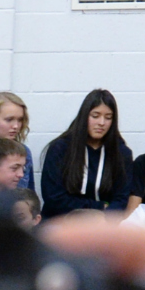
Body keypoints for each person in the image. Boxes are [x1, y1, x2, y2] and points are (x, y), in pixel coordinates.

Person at [42, 88, 133, 217]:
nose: (101, 123)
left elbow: (121, 200)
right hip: (60, 222)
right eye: (95, 116)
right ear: (84, 116)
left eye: (108, 117)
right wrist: (100, 206)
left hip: (102, 225)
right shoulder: (60, 148)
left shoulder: (122, 153)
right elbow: (53, 198)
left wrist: (104, 218)